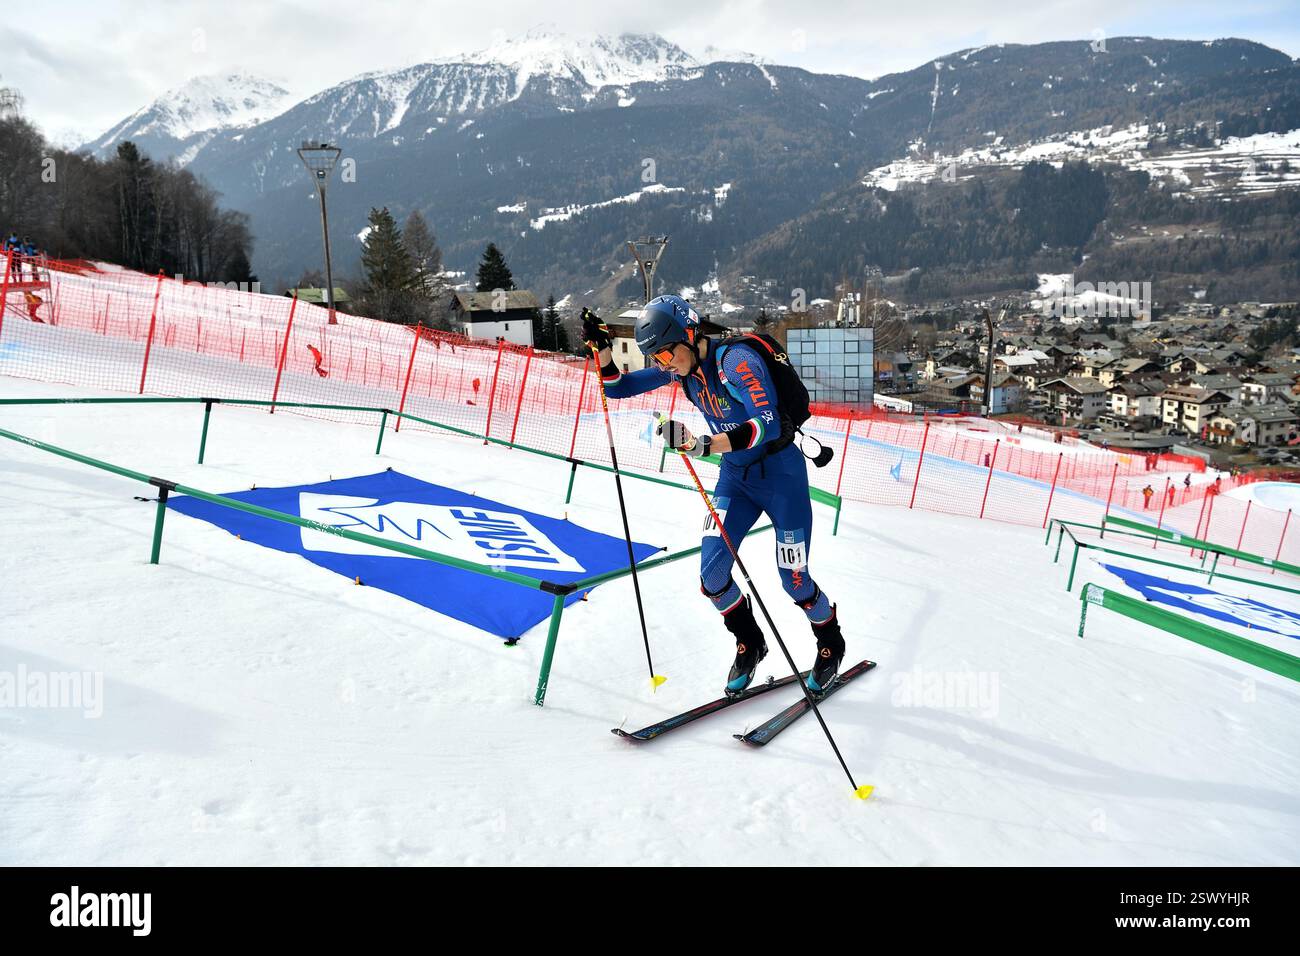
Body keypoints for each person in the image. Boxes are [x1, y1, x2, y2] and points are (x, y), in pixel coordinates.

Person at [581, 297, 845, 697]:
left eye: (666, 352)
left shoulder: (735, 361)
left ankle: (831, 641)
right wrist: (602, 349)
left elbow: (768, 423)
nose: (663, 363)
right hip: (735, 479)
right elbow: (618, 388)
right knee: (712, 576)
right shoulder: (681, 368)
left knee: (793, 581)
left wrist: (704, 444)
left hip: (781, 478)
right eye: (655, 356)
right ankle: (750, 642)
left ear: (689, 336)